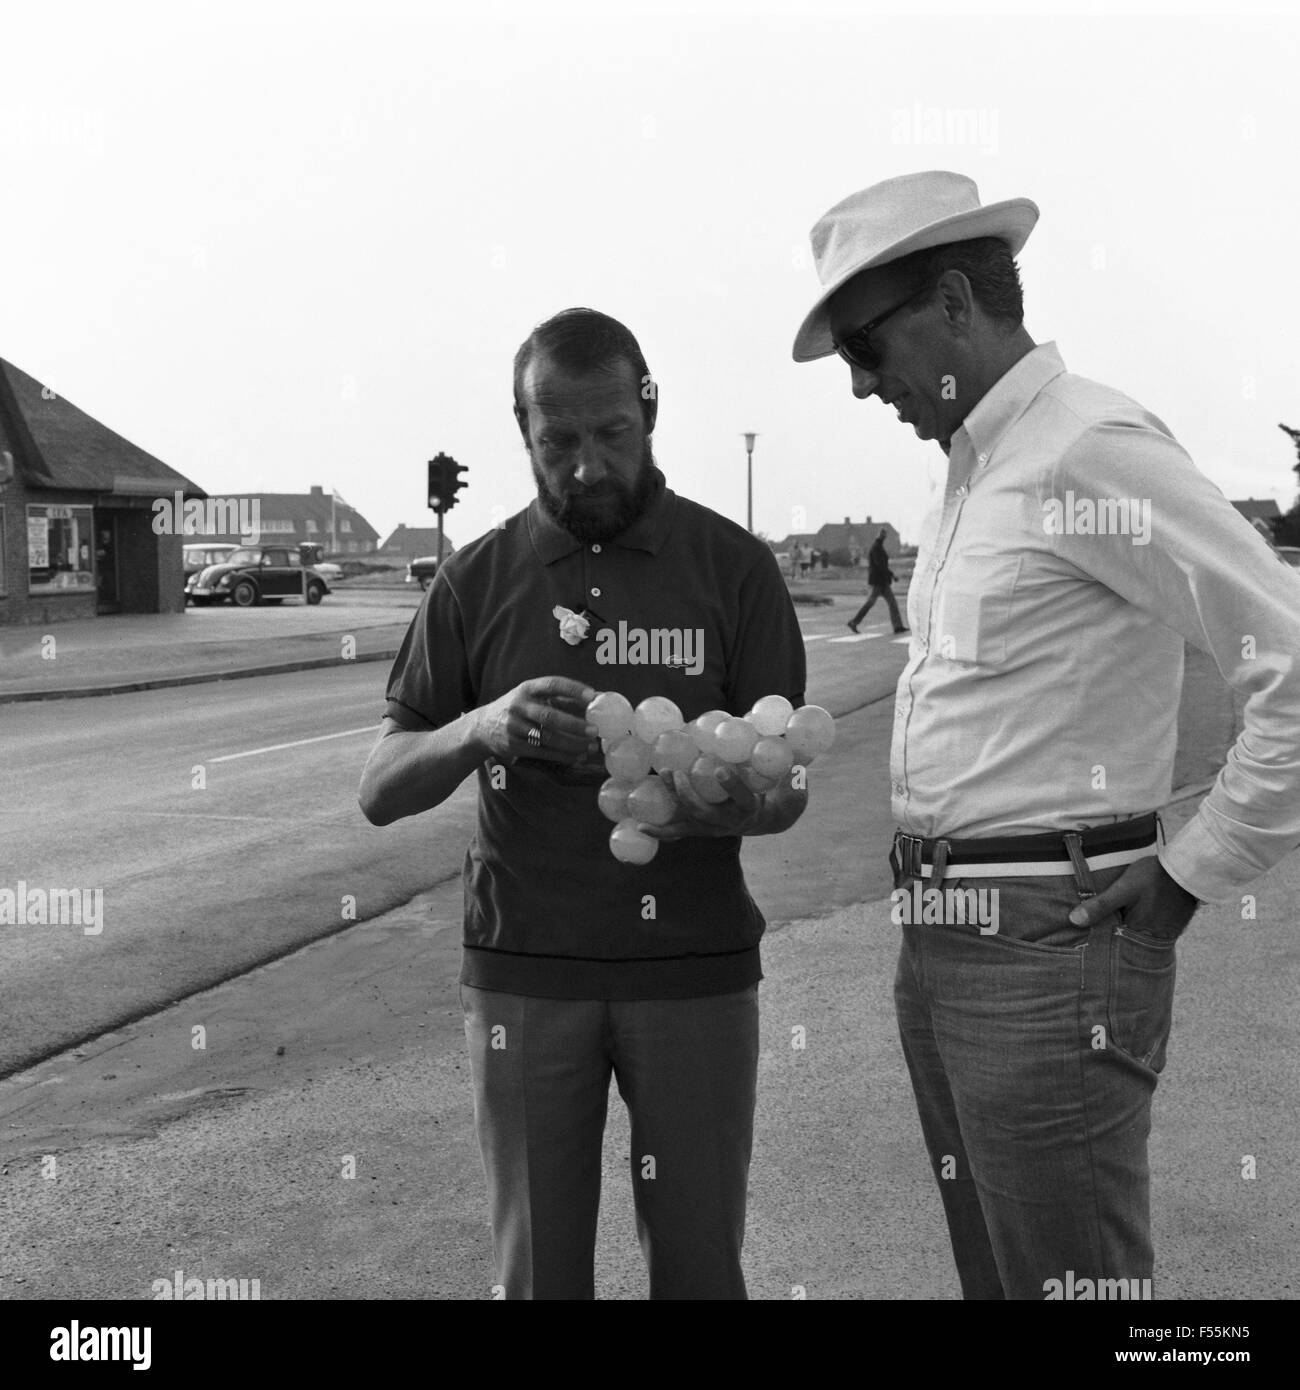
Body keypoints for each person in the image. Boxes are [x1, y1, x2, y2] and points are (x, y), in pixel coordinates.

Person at [792, 171, 1300, 1299]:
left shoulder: (1087, 449)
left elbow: (1288, 659)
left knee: (1075, 1292)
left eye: (868, 350)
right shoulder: (975, 480)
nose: (864, 386)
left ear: (957, 302)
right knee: (1006, 1279)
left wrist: (1191, 869)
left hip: (1047, 942)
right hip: (941, 933)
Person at [359, 307, 808, 1300]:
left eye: (610, 432)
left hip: (693, 970)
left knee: (698, 1273)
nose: (587, 465)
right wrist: (480, 725)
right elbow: (378, 787)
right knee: (537, 1278)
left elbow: (785, 790)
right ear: (521, 431)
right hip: (525, 974)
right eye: (557, 440)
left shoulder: (734, 569)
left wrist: (712, 800)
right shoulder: (474, 579)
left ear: (650, 413)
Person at [847, 527, 907, 633]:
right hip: (877, 582)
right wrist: (892, 575)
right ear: (879, 535)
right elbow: (880, 565)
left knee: (892, 603)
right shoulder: (876, 548)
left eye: (884, 535)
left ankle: (898, 626)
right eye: (882, 535)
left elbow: (882, 565)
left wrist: (889, 576)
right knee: (870, 603)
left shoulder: (879, 547)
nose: (883, 537)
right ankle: (854, 622)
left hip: (882, 581)